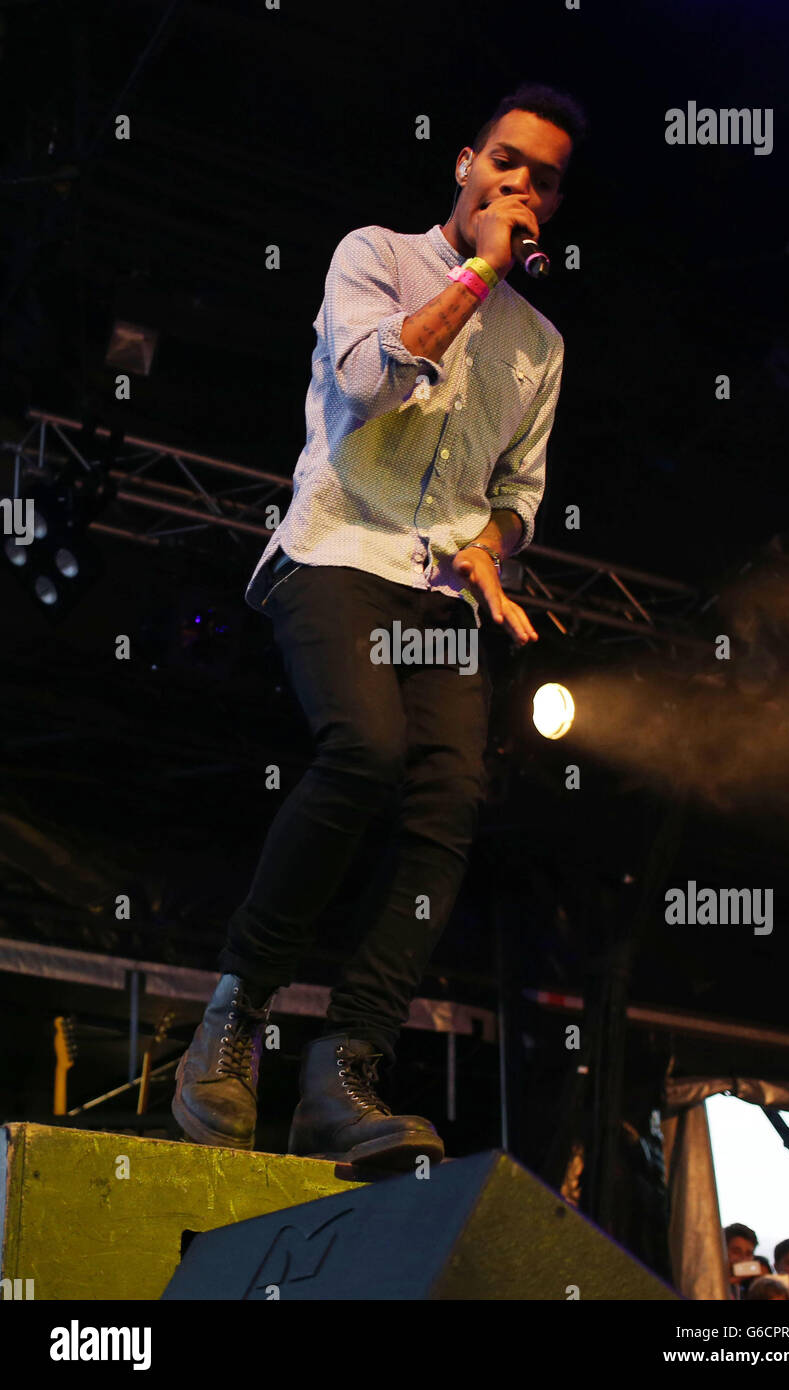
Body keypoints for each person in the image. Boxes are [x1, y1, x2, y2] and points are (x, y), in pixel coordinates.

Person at [171, 82, 588, 1169]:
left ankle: (343, 1067)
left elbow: (516, 489)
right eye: (505, 160)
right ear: (463, 163)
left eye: (542, 176)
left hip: (440, 589)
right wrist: (478, 271)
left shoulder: (540, 348)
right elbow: (365, 383)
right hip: (336, 548)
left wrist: (491, 554)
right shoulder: (373, 255)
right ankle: (233, 1017)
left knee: (448, 805)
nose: (520, 184)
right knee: (365, 748)